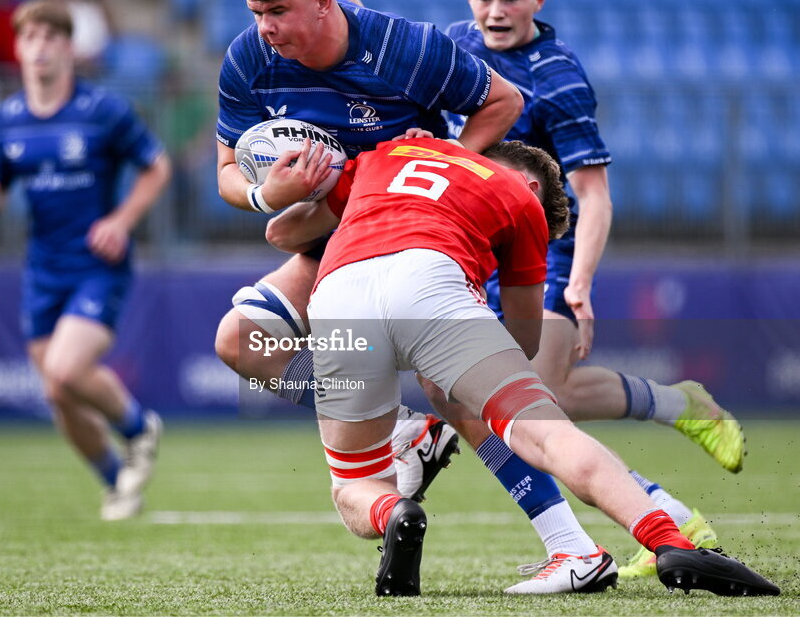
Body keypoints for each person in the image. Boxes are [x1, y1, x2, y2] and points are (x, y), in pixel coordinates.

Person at [308, 0, 744, 587]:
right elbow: (381, 52)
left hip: (536, 245)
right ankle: (655, 464)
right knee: (493, 400)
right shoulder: (454, 45)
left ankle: (656, 512)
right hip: (454, 242)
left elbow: (592, 195)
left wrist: (579, 287)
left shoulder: (557, 75)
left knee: (529, 404)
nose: (494, 11)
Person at [265, 135, 778, 599]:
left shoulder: (394, 150)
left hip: (339, 291)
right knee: (547, 433)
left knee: (354, 484)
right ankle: (668, 540)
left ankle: (395, 510)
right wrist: (475, 372)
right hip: (434, 281)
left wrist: (271, 192)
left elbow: (282, 234)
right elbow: (527, 338)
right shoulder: (521, 202)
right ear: (531, 184)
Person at [212, 0, 524, 502]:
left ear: (324, 0)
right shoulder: (250, 58)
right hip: (335, 234)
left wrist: (445, 157)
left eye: (277, 10)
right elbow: (227, 173)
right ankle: (406, 431)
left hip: (411, 234)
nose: (265, 28)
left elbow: (504, 100)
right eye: (256, 12)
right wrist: (267, 194)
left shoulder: (408, 49)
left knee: (455, 389)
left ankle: (569, 536)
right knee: (241, 338)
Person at [0, 0, 170, 521]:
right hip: (42, 271)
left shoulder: (103, 111)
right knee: (58, 392)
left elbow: (156, 167)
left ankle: (138, 427)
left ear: (69, 48)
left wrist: (120, 221)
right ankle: (117, 482)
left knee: (65, 366)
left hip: (97, 267)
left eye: (51, 37)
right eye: (30, 38)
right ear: (18, 47)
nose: (40, 48)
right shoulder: (6, 121)